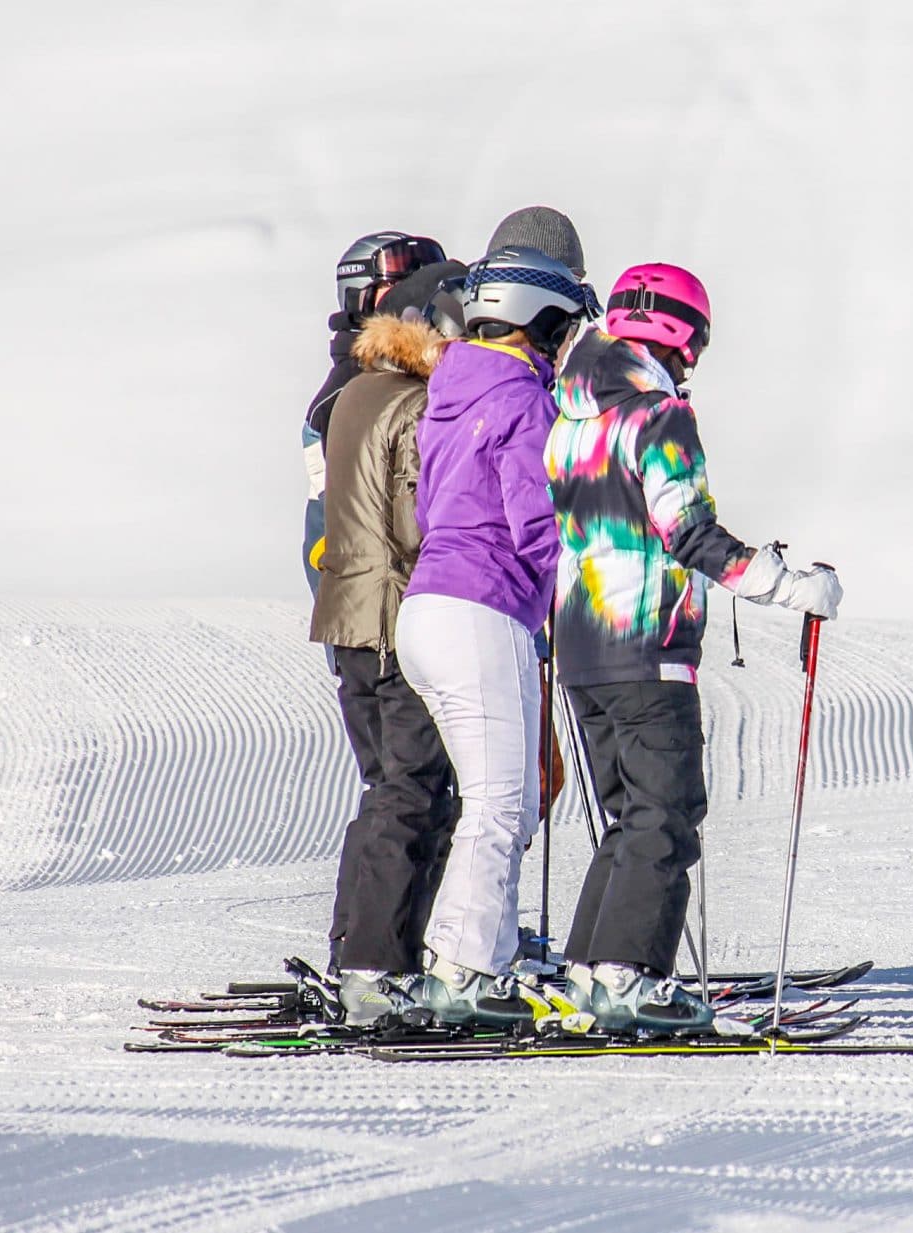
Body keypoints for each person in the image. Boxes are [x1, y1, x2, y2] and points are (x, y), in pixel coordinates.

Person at [545, 262, 842, 1034]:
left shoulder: (570, 418)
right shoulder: (658, 418)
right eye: (695, 345)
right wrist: (789, 584)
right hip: (646, 643)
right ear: (675, 334)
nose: (694, 363)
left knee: (630, 814)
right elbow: (691, 534)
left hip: (582, 646)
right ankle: (630, 977)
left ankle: (588, 971)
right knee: (666, 813)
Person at [397, 217, 604, 1026]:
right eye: (564, 328)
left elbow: (429, 508)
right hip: (481, 610)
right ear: (538, 319)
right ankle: (464, 970)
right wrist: (595, 598)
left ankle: (470, 954)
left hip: (430, 607)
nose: (566, 345)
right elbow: (540, 526)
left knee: (496, 800)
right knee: (500, 803)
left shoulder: (454, 391)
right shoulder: (521, 399)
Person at [311, 259, 469, 1024]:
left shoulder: (352, 391)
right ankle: (377, 963)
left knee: (387, 789)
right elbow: (418, 523)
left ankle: (361, 951)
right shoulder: (416, 404)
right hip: (394, 622)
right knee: (415, 790)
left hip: (350, 621)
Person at [305, 232, 448, 593]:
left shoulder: (395, 375)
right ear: (360, 295)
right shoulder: (350, 387)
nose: (413, 296)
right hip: (359, 578)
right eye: (397, 285)